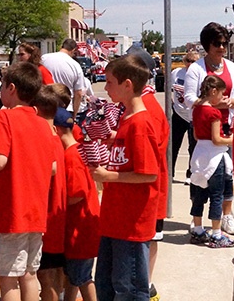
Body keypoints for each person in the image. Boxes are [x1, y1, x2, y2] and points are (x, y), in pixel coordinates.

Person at [0, 62, 57, 301]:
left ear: (12, 88)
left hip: (12, 212)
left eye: (2, 86)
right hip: (36, 213)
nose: (0, 91)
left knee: (8, 280)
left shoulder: (5, 117)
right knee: (29, 274)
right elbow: (53, 167)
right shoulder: (43, 124)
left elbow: (0, 162)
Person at [91, 54, 160, 301]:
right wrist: (111, 138)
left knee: (129, 288)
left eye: (109, 82)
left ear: (127, 85)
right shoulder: (127, 119)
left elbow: (149, 173)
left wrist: (109, 175)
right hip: (115, 219)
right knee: (107, 284)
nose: (106, 87)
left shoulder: (141, 124)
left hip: (131, 222)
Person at [184, 22, 234, 235]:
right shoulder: (196, 69)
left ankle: (226, 215)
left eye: (225, 43)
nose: (222, 47)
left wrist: (232, 102)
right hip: (203, 131)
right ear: (207, 45)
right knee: (200, 174)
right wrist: (212, 103)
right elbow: (188, 98)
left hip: (228, 127)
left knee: (227, 174)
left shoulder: (233, 68)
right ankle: (197, 217)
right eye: (217, 43)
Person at [54, 108, 99, 301]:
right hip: (80, 228)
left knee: (82, 276)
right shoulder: (75, 150)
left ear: (57, 130)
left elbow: (77, 193)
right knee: (73, 276)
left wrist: (55, 199)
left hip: (80, 229)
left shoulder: (71, 155)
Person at [189, 75, 234, 248]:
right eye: (221, 94)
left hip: (200, 152)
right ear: (213, 91)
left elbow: (195, 135)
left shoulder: (197, 109)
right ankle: (217, 233)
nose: (223, 98)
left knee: (200, 193)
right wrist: (232, 140)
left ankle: (198, 229)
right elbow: (217, 139)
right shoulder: (214, 113)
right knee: (217, 195)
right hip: (215, 156)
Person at [34, 87, 67, 301]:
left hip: (47, 218)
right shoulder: (58, 139)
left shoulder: (44, 139)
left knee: (45, 277)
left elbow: (48, 172)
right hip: (60, 218)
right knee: (57, 273)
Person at [141, 71, 170, 301]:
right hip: (148, 191)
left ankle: (145, 285)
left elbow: (147, 162)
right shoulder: (141, 106)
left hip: (149, 193)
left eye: (111, 81)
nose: (106, 88)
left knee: (149, 239)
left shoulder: (147, 110)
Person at [170, 51, 200, 182]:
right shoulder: (176, 73)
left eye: (193, 61)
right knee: (172, 145)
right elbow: (169, 90)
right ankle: (169, 173)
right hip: (178, 113)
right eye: (188, 60)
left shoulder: (199, 74)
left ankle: (191, 173)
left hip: (193, 115)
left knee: (193, 146)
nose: (190, 64)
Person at [41, 39, 85, 120]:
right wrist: (74, 115)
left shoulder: (44, 58)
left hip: (45, 105)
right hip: (66, 108)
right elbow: (78, 93)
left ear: (62, 46)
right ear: (74, 50)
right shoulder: (75, 65)